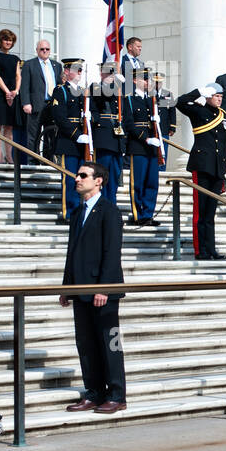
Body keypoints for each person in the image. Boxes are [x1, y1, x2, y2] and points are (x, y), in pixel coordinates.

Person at [60, 162, 127, 414]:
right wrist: (67, 286)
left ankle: (117, 394)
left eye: (83, 175)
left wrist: (104, 288)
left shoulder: (109, 211)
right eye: (77, 175)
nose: (77, 178)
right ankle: (93, 392)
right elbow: (72, 252)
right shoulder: (78, 213)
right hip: (81, 289)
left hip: (103, 291)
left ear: (98, 181)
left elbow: (112, 253)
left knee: (111, 342)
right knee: (86, 343)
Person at [176, 83, 226, 260]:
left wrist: (223, 174)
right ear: (208, 96)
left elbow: (223, 146)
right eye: (215, 95)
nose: (219, 98)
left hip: (216, 168)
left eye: (221, 96)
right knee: (200, 212)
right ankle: (200, 250)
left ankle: (211, 249)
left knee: (210, 212)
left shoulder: (224, 116)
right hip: (202, 165)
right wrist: (198, 92)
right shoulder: (199, 111)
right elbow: (181, 102)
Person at [46, 57, 90, 222]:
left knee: (84, 180)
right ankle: (69, 213)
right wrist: (77, 135)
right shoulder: (61, 91)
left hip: (83, 142)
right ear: (66, 71)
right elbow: (59, 117)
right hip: (68, 141)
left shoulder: (83, 92)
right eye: (76, 69)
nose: (80, 73)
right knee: (71, 178)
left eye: (81, 70)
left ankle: (80, 211)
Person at [122, 69, 165, 225]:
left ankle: (148, 214)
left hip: (152, 147)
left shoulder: (152, 100)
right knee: (138, 182)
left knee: (152, 182)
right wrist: (146, 139)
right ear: (135, 81)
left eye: (149, 79)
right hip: (138, 146)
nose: (148, 82)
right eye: (144, 79)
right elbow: (129, 124)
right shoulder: (129, 100)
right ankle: (137, 214)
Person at [89, 62, 126, 207]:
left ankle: (111, 205)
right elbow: (106, 93)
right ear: (101, 73)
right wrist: (115, 82)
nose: (111, 75)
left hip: (116, 138)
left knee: (114, 176)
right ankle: (100, 204)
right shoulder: (96, 87)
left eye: (113, 72)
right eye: (108, 72)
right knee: (101, 175)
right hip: (103, 137)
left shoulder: (118, 89)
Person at [20, 39, 61, 157]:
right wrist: (26, 103)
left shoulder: (56, 65)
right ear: (37, 50)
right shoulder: (29, 64)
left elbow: (59, 85)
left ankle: (48, 161)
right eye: (42, 49)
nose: (44, 51)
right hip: (36, 104)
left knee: (51, 135)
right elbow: (25, 86)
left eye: (47, 49)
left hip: (52, 105)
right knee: (34, 134)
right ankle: (32, 161)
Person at [0, 29, 22, 164]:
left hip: (13, 93)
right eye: (5, 39)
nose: (8, 42)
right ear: (0, 41)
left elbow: (18, 76)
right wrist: (7, 91)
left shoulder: (15, 59)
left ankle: (9, 155)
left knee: (9, 126)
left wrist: (15, 91)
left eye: (10, 40)